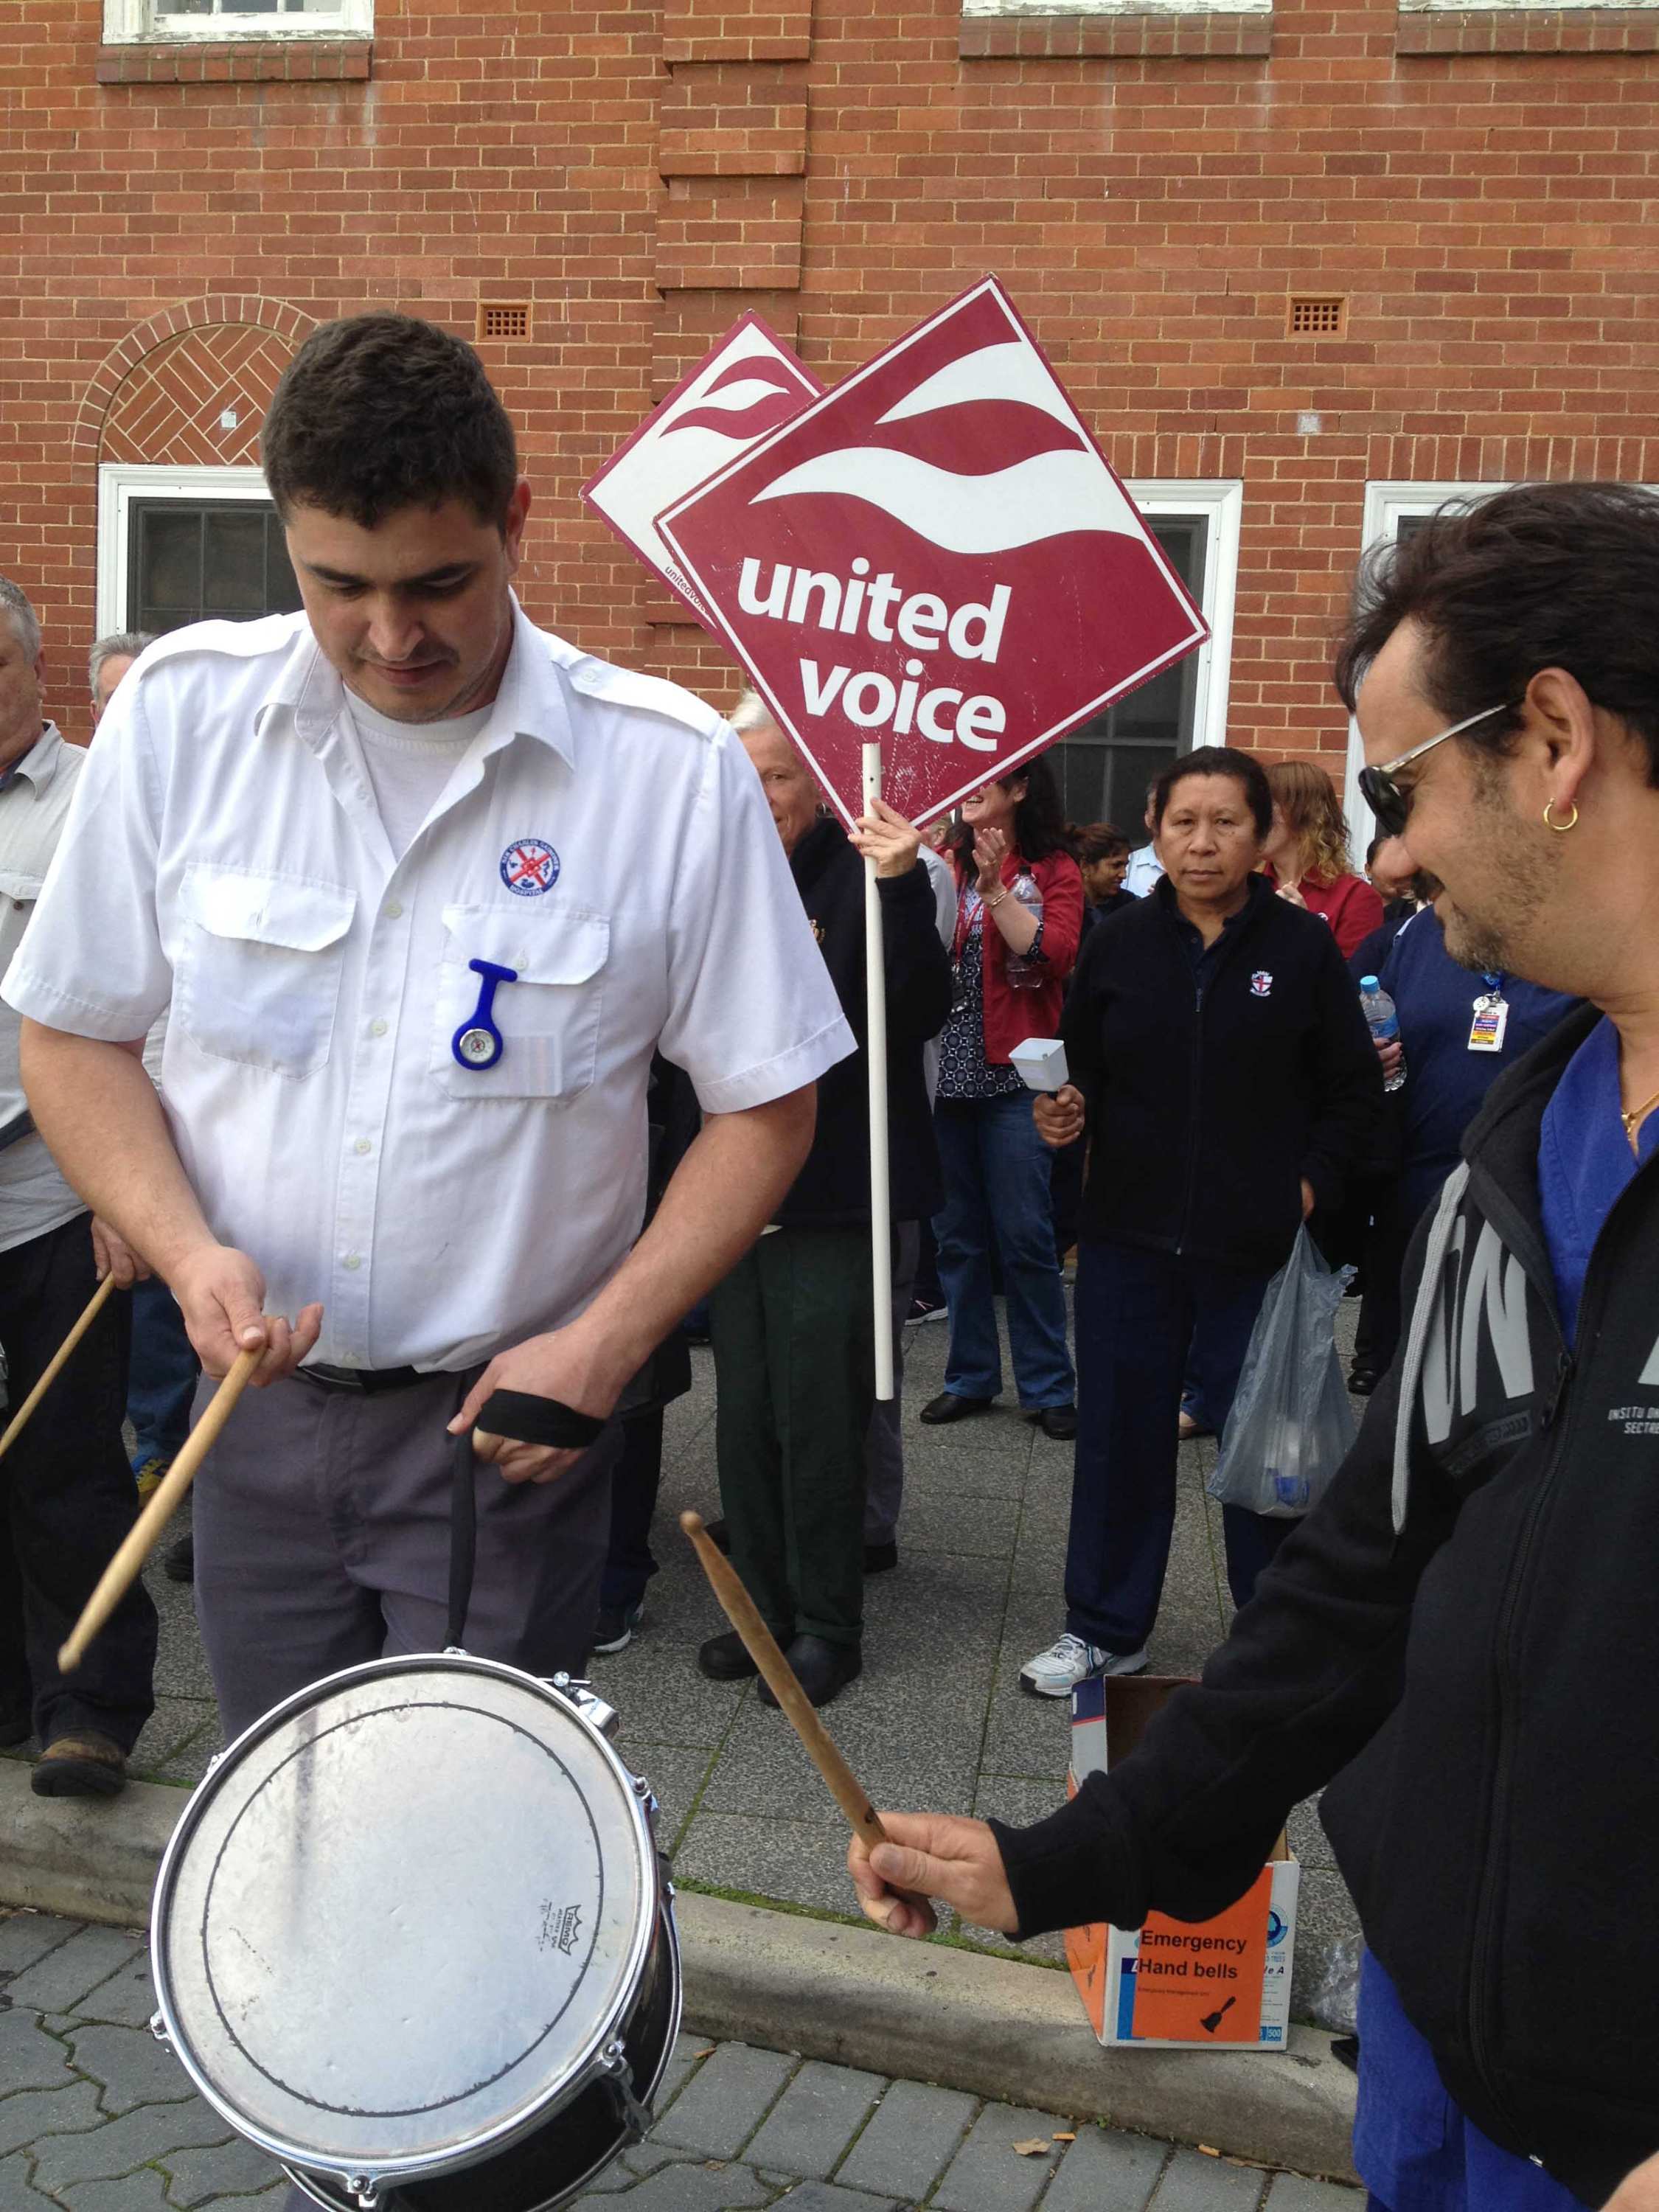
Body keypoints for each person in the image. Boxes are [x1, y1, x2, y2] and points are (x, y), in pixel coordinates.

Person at [848, 480, 1659, 2212]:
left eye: (1400, 790)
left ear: (1555, 741)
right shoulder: (1527, 1132)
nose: (1386, 855)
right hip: (1436, 2053)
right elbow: (1361, 1581)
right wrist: (1072, 1859)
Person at [7, 316, 852, 1779]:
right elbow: (73, 1037)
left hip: (503, 1437)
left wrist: (606, 1344)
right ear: (285, 535)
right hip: (252, 1421)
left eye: (439, 583)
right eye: (340, 585)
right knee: (282, 1821)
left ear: (514, 524)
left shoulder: (667, 769)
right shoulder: (182, 722)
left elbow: (767, 1106)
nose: (393, 637)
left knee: (471, 1838)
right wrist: (185, 1250)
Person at [1017, 745, 1380, 1697]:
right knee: (1118, 1439)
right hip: (1128, 1238)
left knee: (1269, 1446)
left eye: (1226, 823)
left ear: (1263, 835)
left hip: (1255, 1249)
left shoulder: (1300, 950)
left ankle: (1273, 1636)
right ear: (1156, 827)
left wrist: (1309, 1188)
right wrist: (1064, 1111)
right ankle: (1104, 1628)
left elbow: (1352, 1092)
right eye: (1184, 822)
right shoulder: (1118, 944)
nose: (1203, 843)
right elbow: (1084, 1069)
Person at [700, 712, 952, 1706]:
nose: (761, 798)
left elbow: (920, 1009)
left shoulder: (866, 876)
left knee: (819, 1418)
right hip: (729, 1187)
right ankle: (761, 1610)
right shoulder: (716, 877)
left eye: (777, 778)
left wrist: (901, 885)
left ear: (819, 786)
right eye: (747, 778)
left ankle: (827, 1624)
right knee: (744, 1417)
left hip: (835, 1189)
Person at [0, 579, 156, 1797]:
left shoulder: (100, 799)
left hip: (54, 1185)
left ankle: (87, 1708)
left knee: (65, 1457)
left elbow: (148, 1003)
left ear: (34, 672)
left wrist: (125, 1186)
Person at [1346, 898, 1577, 1393]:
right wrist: (1366, 1057)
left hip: (1530, 1194)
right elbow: (1364, 1026)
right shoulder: (1421, 934)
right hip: (1417, 1182)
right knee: (1403, 1369)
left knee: (1504, 1379)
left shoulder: (1579, 928)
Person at [921, 759, 1082, 1440]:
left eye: (987, 777)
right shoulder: (943, 860)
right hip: (944, 1072)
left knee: (1025, 1236)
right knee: (956, 1239)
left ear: (1019, 790)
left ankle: (1048, 1385)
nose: (969, 787)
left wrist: (995, 893)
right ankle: (970, 1376)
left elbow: (1053, 954)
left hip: (1016, 1076)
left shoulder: (1053, 868)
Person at [88, 630, 204, 1517]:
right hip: (109, 1105)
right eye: (112, 700)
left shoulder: (194, 812)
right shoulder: (102, 811)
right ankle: (159, 1444)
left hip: (186, 1109)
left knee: (179, 1308)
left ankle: (173, 1451)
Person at [1261, 757, 1385, 957]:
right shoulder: (1245, 889)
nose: (1254, 820)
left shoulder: (1355, 897)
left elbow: (1350, 976)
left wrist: (1307, 934)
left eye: (1264, 808)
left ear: (1302, 813)